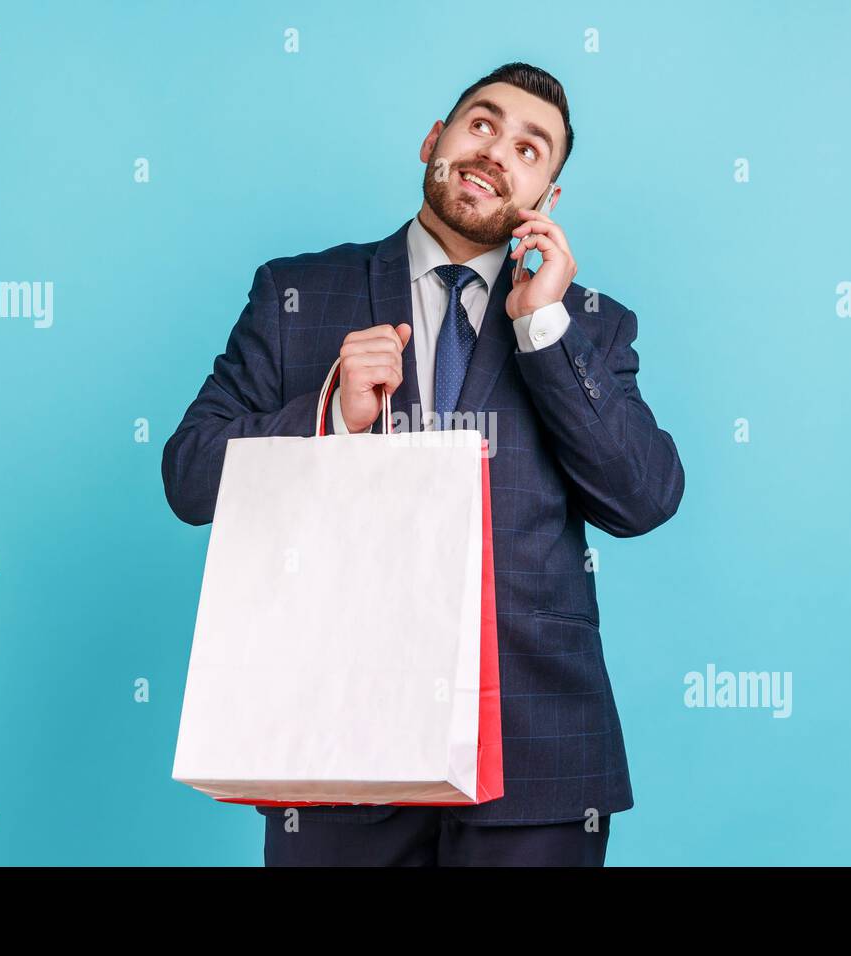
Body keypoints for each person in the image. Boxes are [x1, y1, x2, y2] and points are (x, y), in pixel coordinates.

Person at [162, 62, 685, 866]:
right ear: (433, 142)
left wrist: (543, 331)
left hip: (537, 755)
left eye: (529, 147)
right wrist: (330, 417)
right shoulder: (294, 292)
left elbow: (643, 498)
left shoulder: (588, 325)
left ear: (546, 199)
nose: (496, 152)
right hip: (337, 749)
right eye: (481, 124)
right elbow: (189, 478)